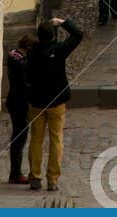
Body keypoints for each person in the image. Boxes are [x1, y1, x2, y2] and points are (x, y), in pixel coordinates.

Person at [25, 15, 82, 193]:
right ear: (53, 36)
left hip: (37, 101)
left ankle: (35, 176)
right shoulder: (59, 50)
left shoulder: (32, 51)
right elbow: (78, 35)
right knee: (56, 139)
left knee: (36, 139)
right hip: (56, 101)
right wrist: (63, 22)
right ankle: (52, 179)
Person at [5, 31, 33, 186]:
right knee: (19, 137)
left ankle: (15, 172)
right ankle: (15, 173)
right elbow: (25, 83)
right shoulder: (20, 62)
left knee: (19, 135)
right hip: (19, 102)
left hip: (14, 100)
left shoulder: (13, 56)